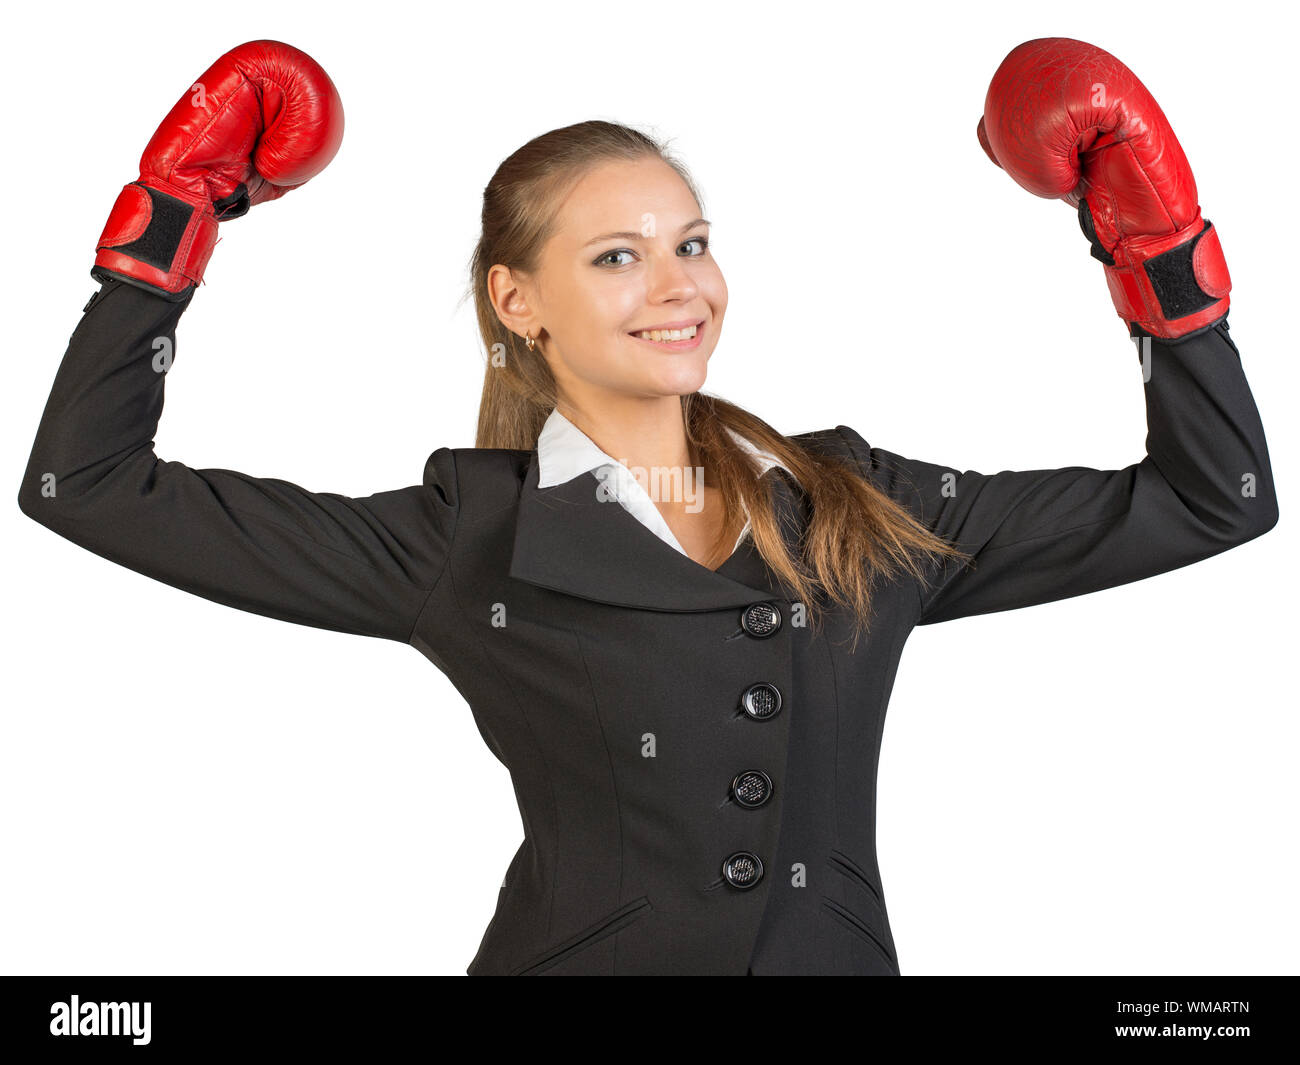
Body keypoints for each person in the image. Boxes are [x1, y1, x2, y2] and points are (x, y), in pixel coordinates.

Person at [18, 37, 1278, 975]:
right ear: (520, 303)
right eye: (616, 255)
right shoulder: (468, 535)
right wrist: (173, 226)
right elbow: (93, 486)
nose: (678, 285)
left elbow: (1210, 499)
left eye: (690, 241)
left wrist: (1155, 259)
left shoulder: (858, 507)